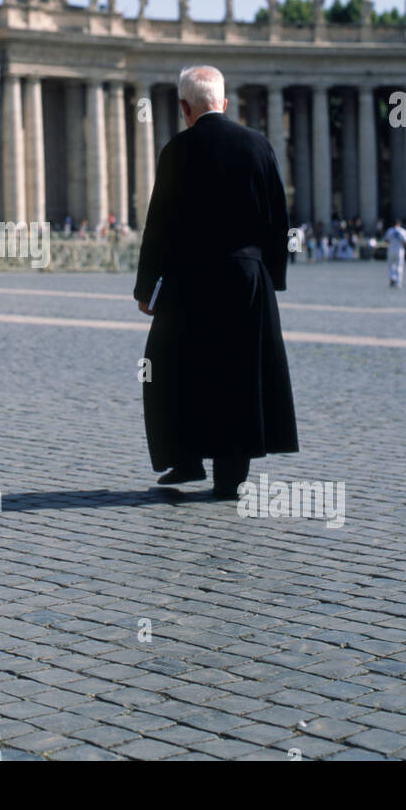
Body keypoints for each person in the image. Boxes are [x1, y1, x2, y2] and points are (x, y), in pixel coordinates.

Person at [134, 65, 297, 497]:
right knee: (239, 372)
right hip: (246, 276)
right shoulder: (258, 145)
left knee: (169, 368)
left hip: (190, 280)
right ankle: (231, 475)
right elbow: (278, 217)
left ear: (185, 108)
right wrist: (271, 277)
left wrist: (147, 289)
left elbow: (159, 227)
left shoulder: (177, 150)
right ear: (225, 103)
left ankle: (184, 460)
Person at [384, 218, 406, 288]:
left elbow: (386, 240)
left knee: (391, 265)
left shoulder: (390, 230)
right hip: (400, 250)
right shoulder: (403, 231)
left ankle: (392, 277)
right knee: (399, 266)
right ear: (399, 224)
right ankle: (398, 283)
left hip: (391, 249)